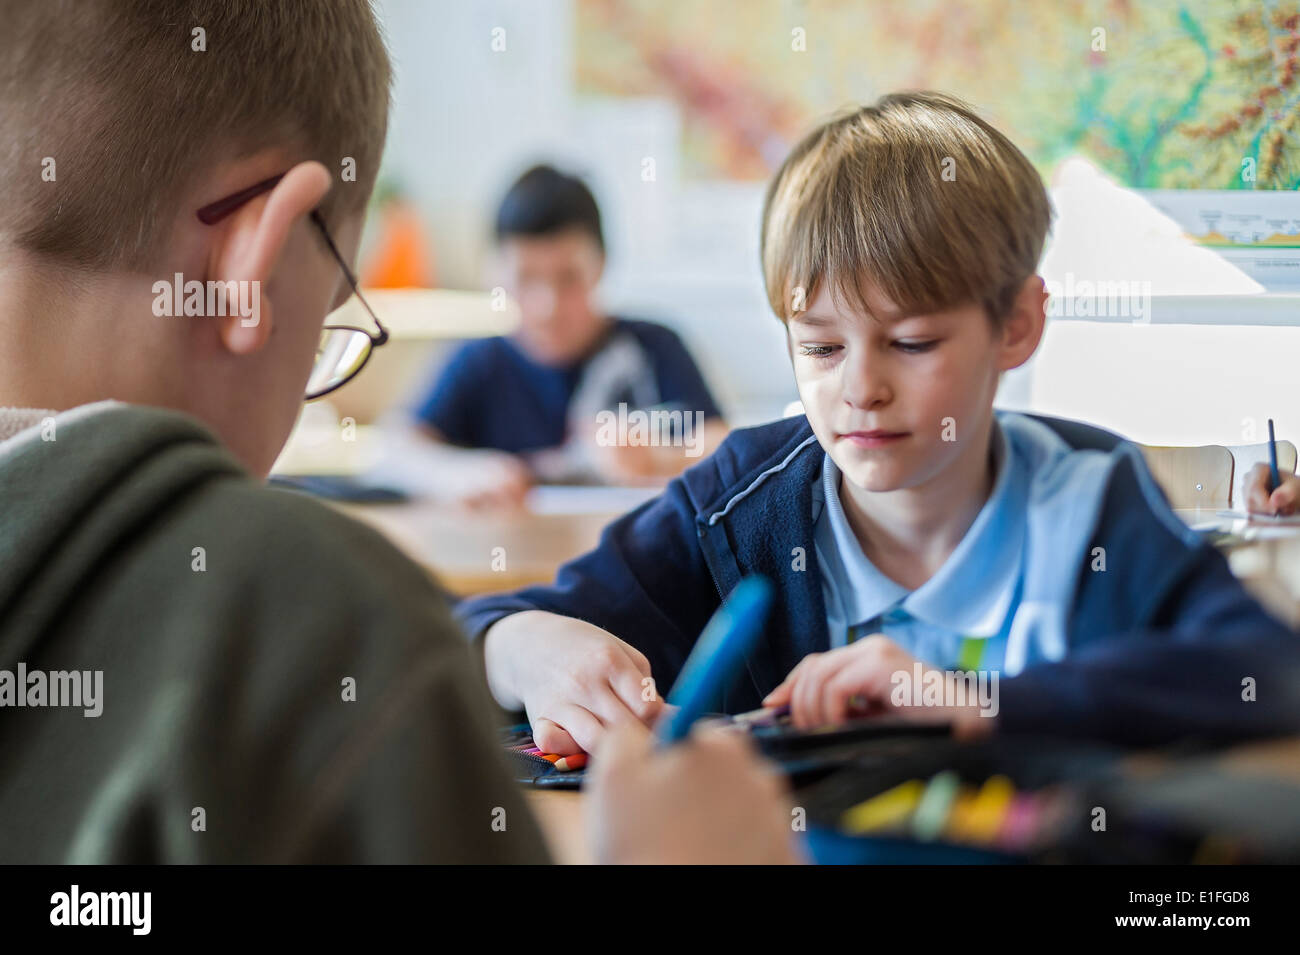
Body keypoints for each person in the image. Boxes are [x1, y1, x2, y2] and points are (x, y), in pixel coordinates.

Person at [0, 0, 798, 865]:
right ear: (253, 262)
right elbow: (408, 443)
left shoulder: (653, 345)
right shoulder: (328, 621)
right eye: (331, 319)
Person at [458, 92, 1300, 755]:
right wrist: (522, 646)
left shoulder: (1091, 505)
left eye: (912, 341)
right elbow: (461, 636)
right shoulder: (741, 508)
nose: (861, 388)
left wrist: (978, 704)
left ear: (1015, 326)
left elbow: (1270, 671)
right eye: (820, 347)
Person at [387, 165, 729, 508]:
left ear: (601, 264)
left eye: (568, 277)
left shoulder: (654, 348)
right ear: (496, 271)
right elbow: (395, 450)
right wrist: (456, 474)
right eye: (526, 277)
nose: (547, 305)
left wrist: (660, 459)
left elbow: (721, 445)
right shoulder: (477, 363)